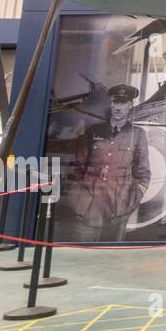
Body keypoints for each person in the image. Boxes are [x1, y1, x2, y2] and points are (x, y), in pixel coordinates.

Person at [60, 84, 150, 243]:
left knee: (111, 257)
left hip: (119, 208)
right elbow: (78, 167)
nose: (118, 107)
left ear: (130, 105)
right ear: (111, 103)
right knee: (80, 254)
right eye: (116, 102)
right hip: (89, 206)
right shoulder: (94, 131)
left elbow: (143, 173)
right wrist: (78, 196)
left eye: (123, 103)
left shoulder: (137, 135)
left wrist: (133, 198)